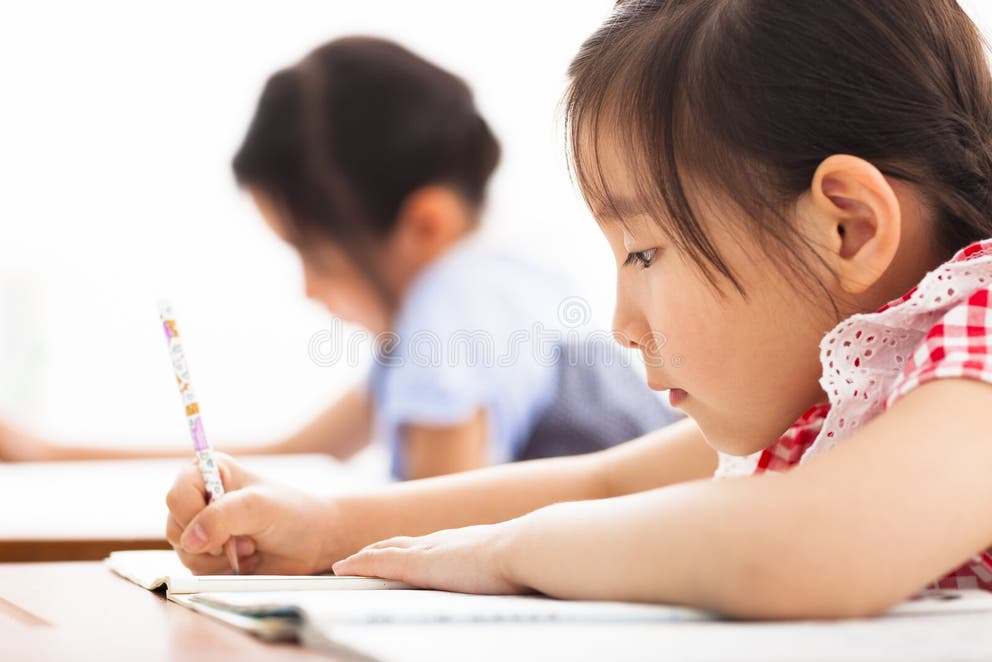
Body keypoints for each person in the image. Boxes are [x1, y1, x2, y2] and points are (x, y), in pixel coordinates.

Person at [166, 1, 992, 618]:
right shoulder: (833, 394)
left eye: (645, 254)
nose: (620, 324)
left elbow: (807, 548)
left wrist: (511, 553)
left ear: (847, 227)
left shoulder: (981, 338)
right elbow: (603, 483)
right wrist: (325, 525)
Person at [0, 37, 676, 479]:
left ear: (425, 224)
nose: (308, 289)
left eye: (316, 255)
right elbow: (298, 455)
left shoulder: (451, 307)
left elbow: (437, 526)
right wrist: (45, 454)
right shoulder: (507, 285)